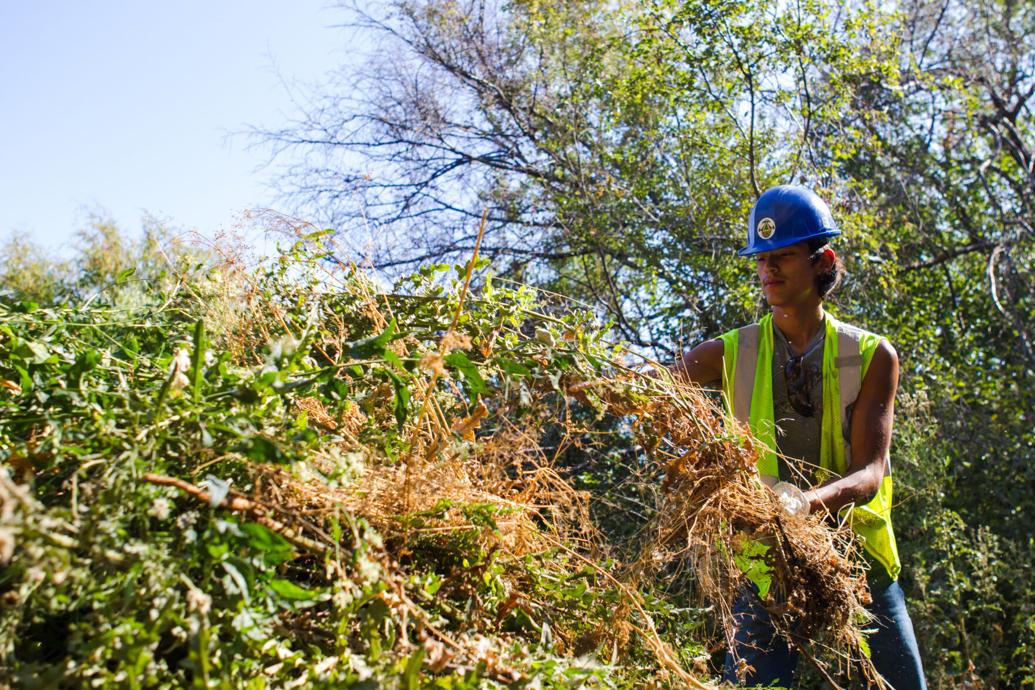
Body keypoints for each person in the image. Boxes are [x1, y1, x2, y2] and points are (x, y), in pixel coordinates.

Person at [673, 185, 927, 689]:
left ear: (821, 261)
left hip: (858, 557)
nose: (768, 270)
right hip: (767, 557)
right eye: (761, 259)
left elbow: (870, 472)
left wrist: (805, 504)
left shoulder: (870, 354)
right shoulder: (730, 351)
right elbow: (653, 388)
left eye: (783, 256)